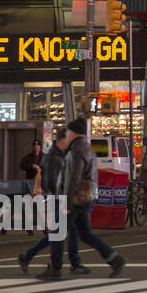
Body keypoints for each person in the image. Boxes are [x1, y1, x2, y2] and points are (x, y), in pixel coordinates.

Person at [41, 118, 126, 280]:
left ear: (73, 133)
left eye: (69, 131)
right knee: (85, 234)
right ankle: (114, 259)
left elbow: (72, 179)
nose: (67, 133)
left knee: (57, 233)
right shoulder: (87, 149)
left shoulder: (76, 152)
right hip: (86, 197)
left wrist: (66, 202)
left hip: (75, 198)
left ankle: (56, 267)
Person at [18, 128, 70, 275]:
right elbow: (53, 180)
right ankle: (57, 265)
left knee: (58, 232)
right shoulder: (54, 156)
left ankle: (33, 258)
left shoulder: (56, 155)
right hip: (59, 198)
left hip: (60, 197)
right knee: (59, 232)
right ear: (62, 140)